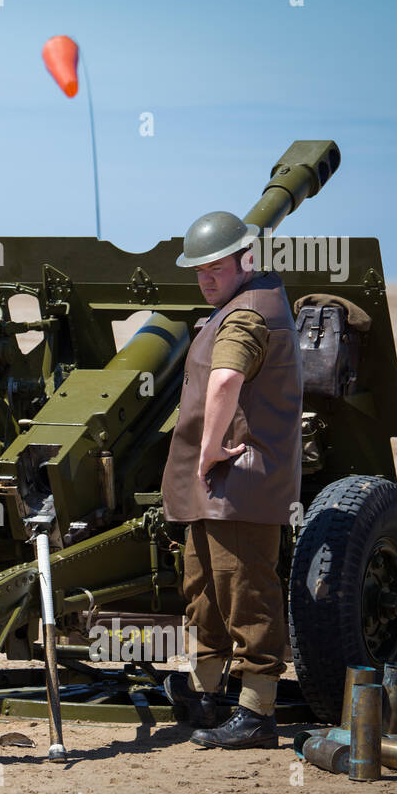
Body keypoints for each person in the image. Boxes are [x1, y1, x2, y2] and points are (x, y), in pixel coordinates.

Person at [160, 211, 302, 749]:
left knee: (246, 594)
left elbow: (225, 381)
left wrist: (213, 446)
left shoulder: (246, 314)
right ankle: (207, 697)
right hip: (217, 487)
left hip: (240, 483)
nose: (204, 279)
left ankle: (256, 711)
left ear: (246, 260)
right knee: (205, 592)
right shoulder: (239, 305)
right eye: (198, 270)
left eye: (214, 268)